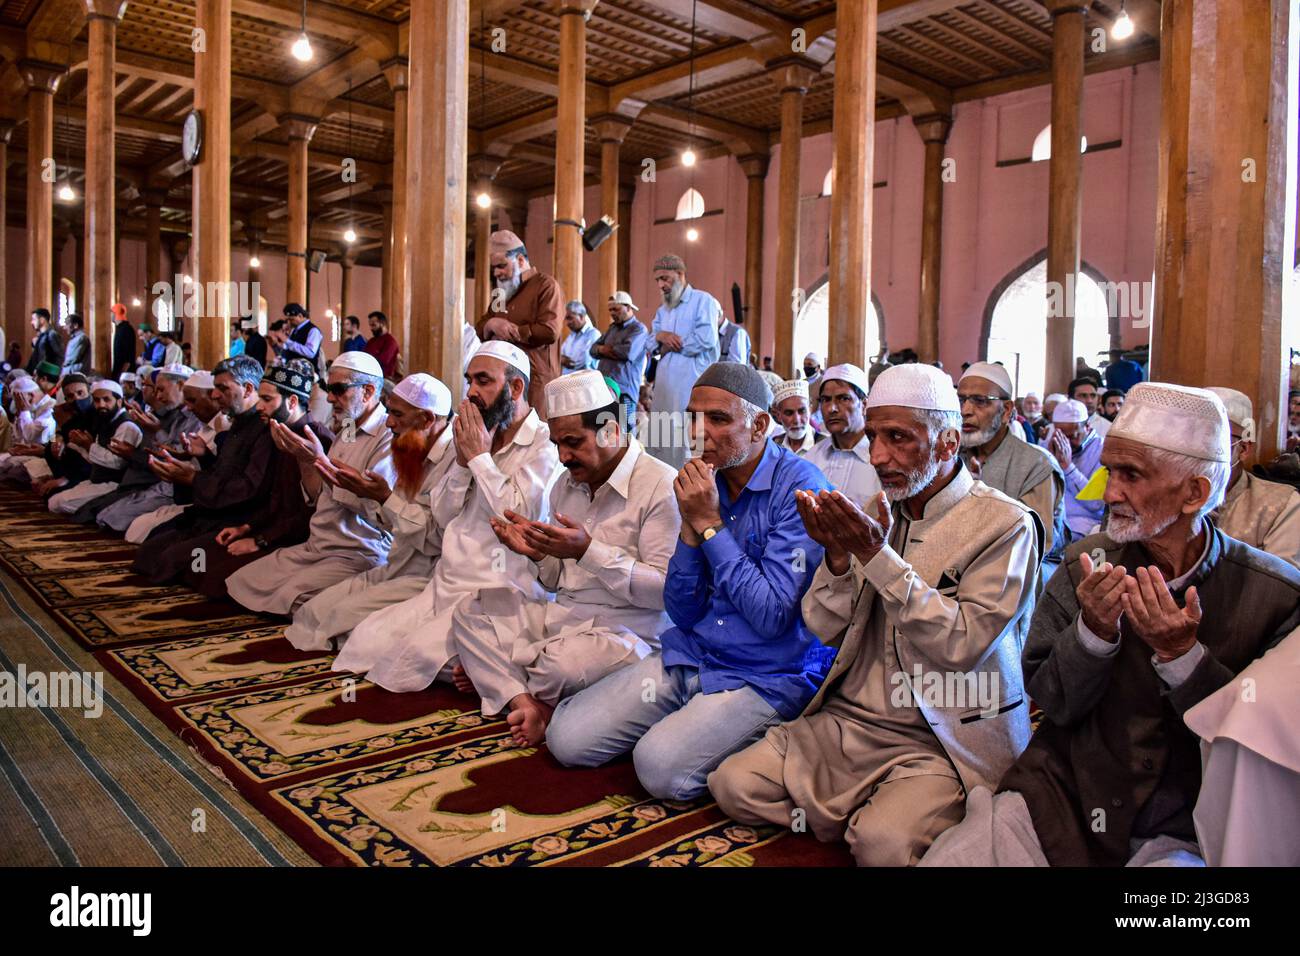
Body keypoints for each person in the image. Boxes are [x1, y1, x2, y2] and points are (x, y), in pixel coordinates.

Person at [921, 383, 1300, 867]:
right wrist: (1092, 637)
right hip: (1063, 799)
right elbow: (1052, 702)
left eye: (1131, 475)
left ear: (1194, 493)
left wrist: (1184, 658)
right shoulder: (1085, 563)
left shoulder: (1276, 595)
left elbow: (1260, 751)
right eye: (1109, 471)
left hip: (1187, 827)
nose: (1109, 492)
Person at [710, 363, 1041, 866]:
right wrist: (839, 562)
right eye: (874, 437)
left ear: (948, 443)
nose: (879, 456)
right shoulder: (877, 510)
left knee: (882, 847)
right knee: (733, 784)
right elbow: (821, 626)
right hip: (851, 722)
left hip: (940, 737)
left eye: (899, 438)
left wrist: (876, 557)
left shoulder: (1005, 525)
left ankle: (884, 813)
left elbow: (963, 645)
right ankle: (876, 809)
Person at [546, 363, 833, 800]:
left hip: (768, 672)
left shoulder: (798, 489)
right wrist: (689, 531)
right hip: (697, 655)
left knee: (658, 768)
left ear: (759, 425)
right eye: (693, 417)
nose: (699, 432)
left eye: (718, 419)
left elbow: (773, 616)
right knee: (566, 739)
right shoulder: (705, 482)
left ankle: (768, 736)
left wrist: (710, 526)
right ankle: (697, 723)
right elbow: (680, 609)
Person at [454, 370, 681, 745]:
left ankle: (503, 680)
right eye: (557, 443)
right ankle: (528, 702)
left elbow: (664, 593)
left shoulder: (660, 486)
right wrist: (539, 554)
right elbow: (557, 580)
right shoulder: (567, 484)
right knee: (471, 610)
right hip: (564, 617)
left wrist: (588, 551)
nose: (562, 457)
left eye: (573, 442)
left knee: (559, 667)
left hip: (625, 633)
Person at [332, 341, 561, 693]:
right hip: (445, 583)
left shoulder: (544, 447)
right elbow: (442, 515)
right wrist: (464, 462)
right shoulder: (475, 437)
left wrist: (480, 460)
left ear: (515, 387)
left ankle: (491, 662)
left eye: (483, 381)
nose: (471, 392)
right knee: (362, 641)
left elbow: (520, 519)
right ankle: (480, 663)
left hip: (496, 590)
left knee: (408, 657)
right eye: (469, 380)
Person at [284, 373, 456, 650]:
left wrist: (382, 497)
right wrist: (368, 495)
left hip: (427, 576)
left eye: (398, 415)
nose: (389, 422)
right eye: (389, 413)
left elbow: (437, 537)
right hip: (396, 565)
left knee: (346, 626)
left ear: (426, 419)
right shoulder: (407, 447)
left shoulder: (455, 461)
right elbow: (390, 523)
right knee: (311, 614)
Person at [225, 350, 396, 615]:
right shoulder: (349, 426)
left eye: (338, 390)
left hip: (357, 550)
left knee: (292, 599)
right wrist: (306, 461)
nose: (329, 398)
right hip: (319, 545)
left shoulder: (388, 436)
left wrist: (319, 460)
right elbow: (319, 495)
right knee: (242, 580)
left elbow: (372, 505)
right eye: (329, 389)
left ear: (368, 391)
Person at [180, 360, 333, 599]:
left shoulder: (316, 440)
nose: (260, 406)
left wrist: (260, 540)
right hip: (271, 529)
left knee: (216, 579)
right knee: (196, 565)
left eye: (267, 400)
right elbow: (274, 498)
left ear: (292, 402)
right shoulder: (280, 433)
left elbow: (310, 512)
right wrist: (245, 528)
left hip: (297, 538)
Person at [131, 356, 277, 582]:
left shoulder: (264, 428)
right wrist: (203, 457)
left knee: (176, 564)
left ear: (248, 389)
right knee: (149, 550)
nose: (216, 395)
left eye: (221, 388)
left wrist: (193, 478)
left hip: (238, 520)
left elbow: (249, 488)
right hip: (212, 513)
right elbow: (224, 471)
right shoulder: (235, 423)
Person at [69, 363, 199, 531]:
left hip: (169, 488)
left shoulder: (190, 418)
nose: (157, 396)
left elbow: (171, 457)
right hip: (146, 484)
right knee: (95, 514)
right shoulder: (174, 416)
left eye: (160, 390)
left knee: (114, 520)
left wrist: (144, 442)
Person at [959, 362, 1064, 568]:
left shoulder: (1036, 465)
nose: (965, 411)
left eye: (980, 401)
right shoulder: (948, 456)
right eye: (960, 400)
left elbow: (1035, 544)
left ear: (1007, 410)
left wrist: (978, 498)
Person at [1207, 387, 1300, 568]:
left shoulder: (1282, 506)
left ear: (1244, 448)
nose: (1198, 448)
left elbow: (1278, 587)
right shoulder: (1165, 493)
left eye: (1214, 437)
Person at [645, 253, 721, 470]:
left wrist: (670, 344)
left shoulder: (703, 300)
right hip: (665, 391)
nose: (661, 285)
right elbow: (649, 342)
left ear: (680, 275)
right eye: (658, 280)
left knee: (686, 441)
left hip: (690, 387)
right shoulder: (663, 310)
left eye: (665, 279)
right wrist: (661, 337)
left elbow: (706, 339)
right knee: (662, 440)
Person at [476, 230, 563, 413]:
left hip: (535, 380)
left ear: (521, 260)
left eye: (501, 265)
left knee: (534, 434)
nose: (497, 273)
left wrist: (512, 331)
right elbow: (481, 326)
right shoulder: (501, 292)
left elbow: (550, 331)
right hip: (503, 378)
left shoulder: (546, 285)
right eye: (494, 268)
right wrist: (492, 325)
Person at [47, 380, 144, 513]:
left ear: (119, 401)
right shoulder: (101, 419)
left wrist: (87, 445)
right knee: (52, 499)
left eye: (106, 400)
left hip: (113, 483)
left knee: (56, 502)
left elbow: (116, 462)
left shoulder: (126, 426)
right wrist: (66, 443)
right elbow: (53, 434)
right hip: (94, 477)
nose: (101, 405)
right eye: (97, 401)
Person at [805, 364, 882, 508]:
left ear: (864, 404)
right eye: (825, 400)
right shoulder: (812, 458)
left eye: (843, 398)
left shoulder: (881, 460)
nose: (832, 408)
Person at [591, 291, 649, 433]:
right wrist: (607, 350)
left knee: (625, 430)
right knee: (606, 429)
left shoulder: (638, 329)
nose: (612, 313)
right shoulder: (612, 329)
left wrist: (603, 350)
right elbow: (592, 350)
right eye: (610, 309)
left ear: (628, 308)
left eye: (616, 309)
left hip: (624, 390)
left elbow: (627, 352)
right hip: (605, 386)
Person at [1047, 398, 1103, 541]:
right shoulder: (1050, 442)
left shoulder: (1102, 450)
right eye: (1061, 435)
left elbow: (1096, 504)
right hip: (1053, 522)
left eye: (1072, 436)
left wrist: (1067, 467)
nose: (1065, 442)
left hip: (1085, 525)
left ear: (1087, 427)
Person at [770, 379, 822, 456]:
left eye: (802, 411)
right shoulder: (774, 446)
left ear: (810, 410)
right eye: (789, 413)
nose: (796, 420)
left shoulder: (824, 445)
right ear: (778, 416)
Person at [278, 303, 326, 381]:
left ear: (300, 316)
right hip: (293, 372)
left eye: (291, 319)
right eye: (288, 320)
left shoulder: (313, 330)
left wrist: (287, 341)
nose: (289, 322)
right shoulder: (294, 330)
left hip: (306, 374)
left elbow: (310, 353)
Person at [559, 301, 599, 374]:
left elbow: (582, 362)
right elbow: (560, 355)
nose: (567, 323)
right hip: (567, 381)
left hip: (583, 382)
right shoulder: (571, 336)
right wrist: (562, 359)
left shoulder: (593, 334)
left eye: (570, 318)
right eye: (566, 319)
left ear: (581, 316)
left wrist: (563, 360)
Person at [363, 311, 400, 379]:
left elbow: (383, 361)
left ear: (382, 324)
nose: (371, 328)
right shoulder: (371, 341)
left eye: (373, 325)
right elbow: (364, 357)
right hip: (369, 376)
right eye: (370, 325)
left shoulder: (390, 341)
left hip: (384, 378)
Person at [25, 309, 63, 374]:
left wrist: (52, 374)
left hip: (45, 376)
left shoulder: (52, 335)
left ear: (42, 320)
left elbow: (58, 357)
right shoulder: (41, 336)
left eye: (34, 319)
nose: (31, 322)